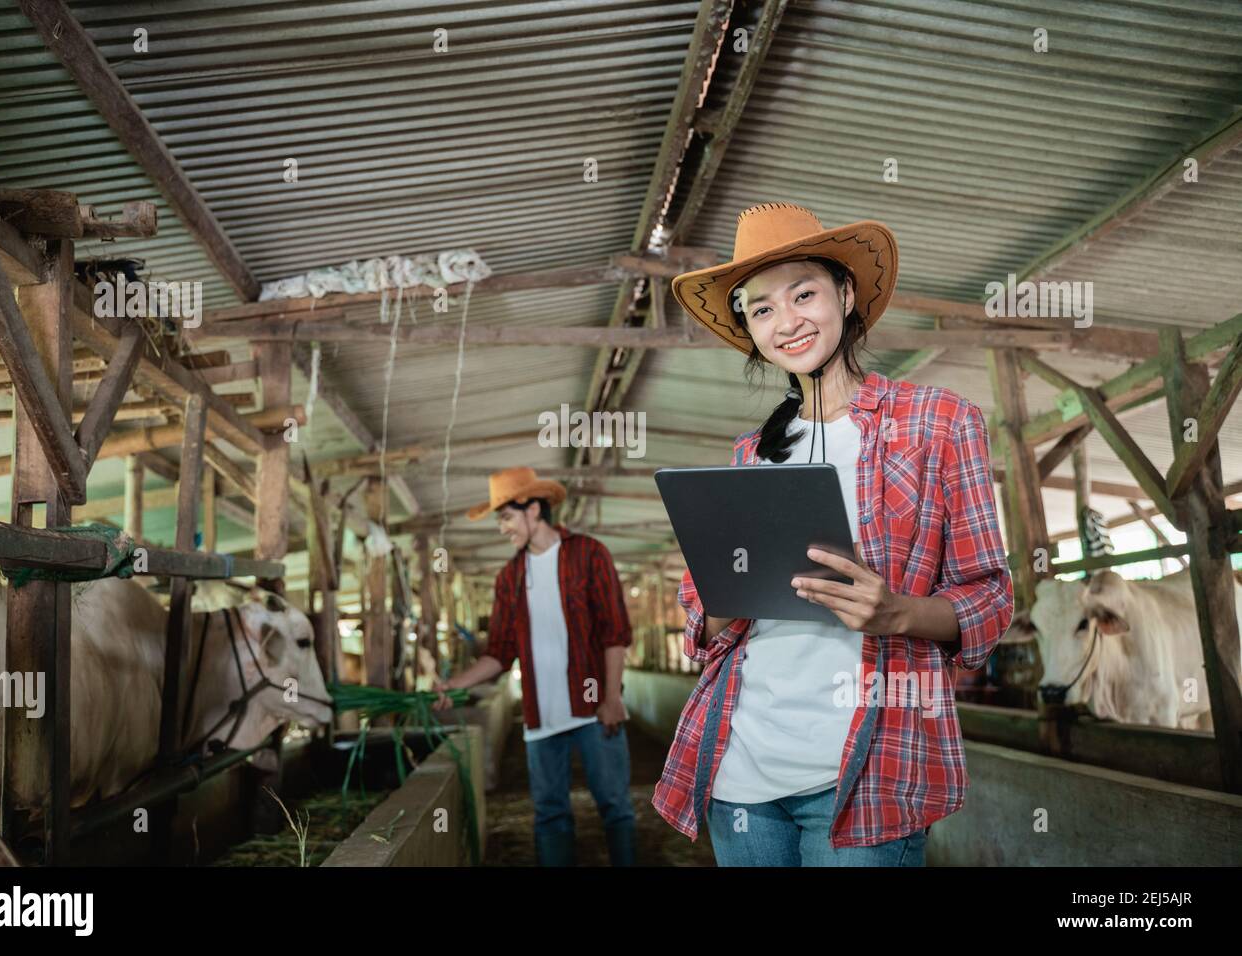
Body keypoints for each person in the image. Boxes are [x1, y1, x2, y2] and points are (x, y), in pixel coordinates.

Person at [652, 202, 1013, 866]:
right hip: (745, 764)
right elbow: (698, 611)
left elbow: (990, 598)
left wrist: (898, 612)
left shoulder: (938, 422)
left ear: (846, 296)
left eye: (804, 293)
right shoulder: (748, 456)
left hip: (871, 770)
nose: (785, 321)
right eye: (760, 309)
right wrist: (716, 603)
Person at [434, 466, 637, 866]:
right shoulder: (509, 578)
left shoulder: (589, 554)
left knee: (616, 807)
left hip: (594, 710)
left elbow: (615, 633)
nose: (502, 528)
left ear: (532, 509)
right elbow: (499, 653)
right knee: (548, 816)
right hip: (540, 719)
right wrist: (452, 684)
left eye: (506, 517)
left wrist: (611, 697)